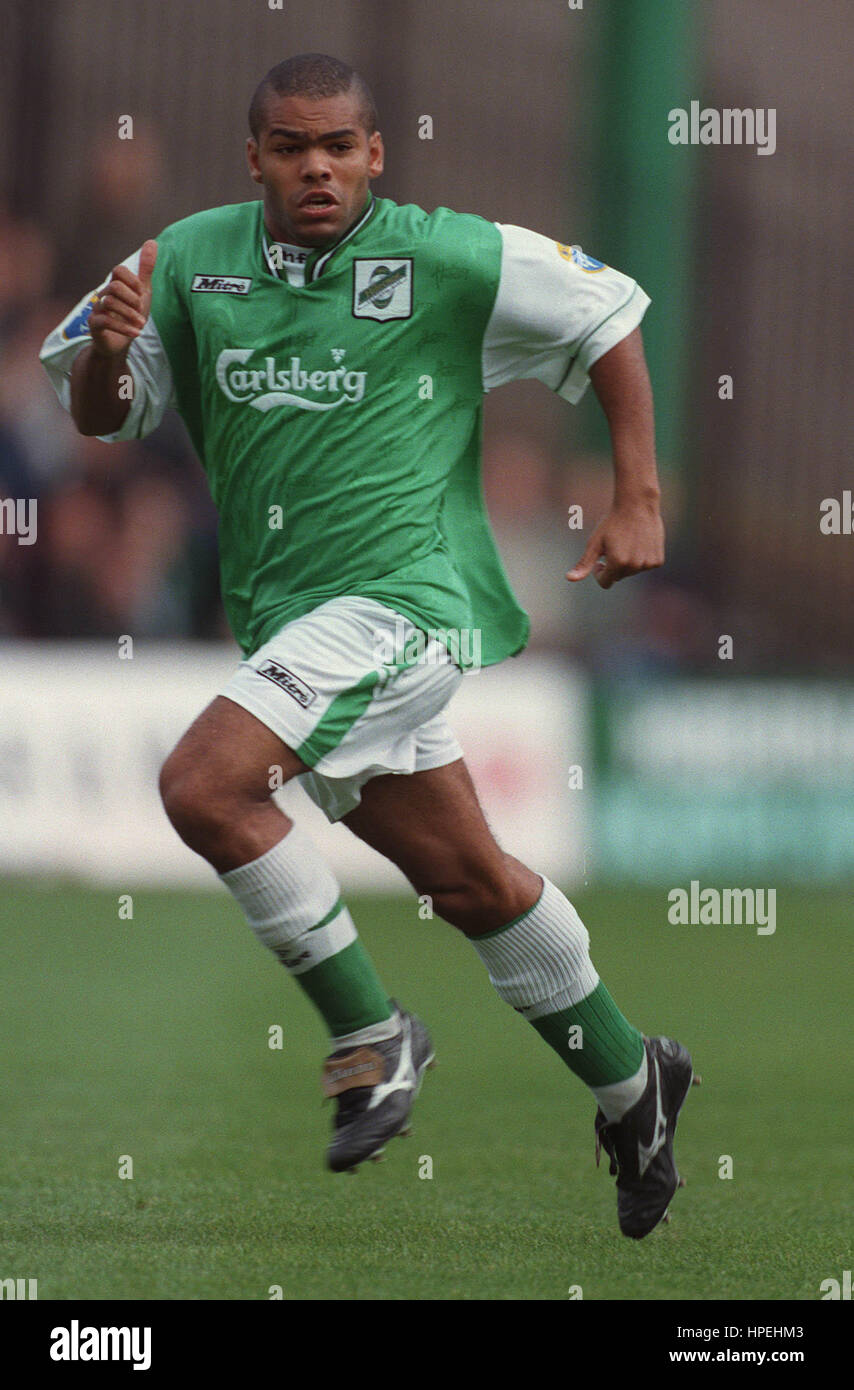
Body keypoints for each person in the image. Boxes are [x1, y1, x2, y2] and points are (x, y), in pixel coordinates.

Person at [41, 52, 697, 1239]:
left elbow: (611, 311)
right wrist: (102, 350)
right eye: (291, 148)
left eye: (338, 146)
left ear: (374, 153)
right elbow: (94, 415)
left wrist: (637, 497)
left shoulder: (446, 254)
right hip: (295, 619)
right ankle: (631, 1080)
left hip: (406, 600)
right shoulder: (180, 262)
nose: (317, 169)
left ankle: (368, 1031)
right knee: (470, 882)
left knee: (203, 786)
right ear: (254, 160)